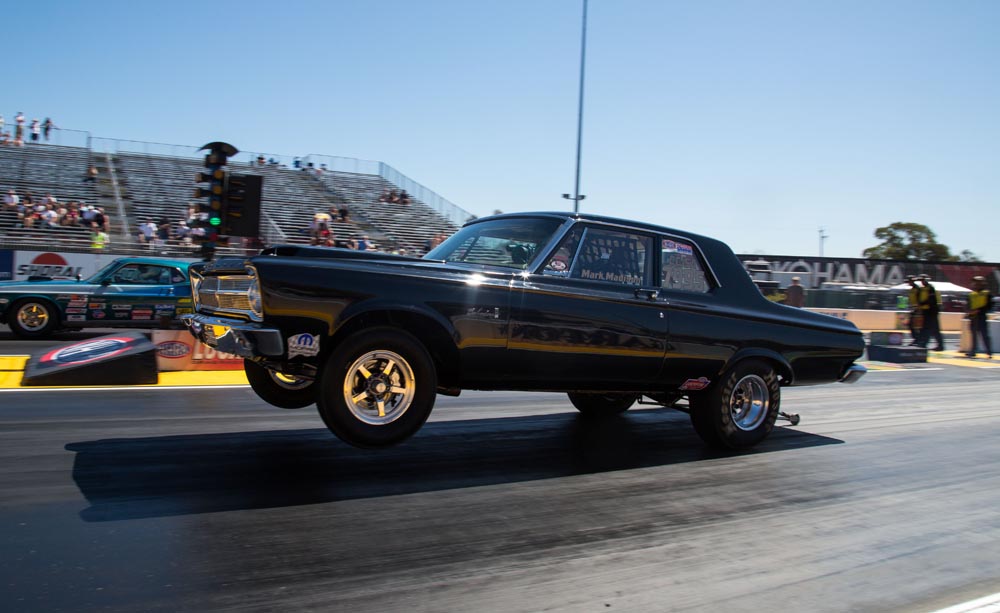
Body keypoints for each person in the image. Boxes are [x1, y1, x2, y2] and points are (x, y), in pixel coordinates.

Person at [966, 275, 992, 359]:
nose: (976, 284)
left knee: (984, 335)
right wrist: (969, 312)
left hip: (981, 316)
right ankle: (973, 351)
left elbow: (989, 306)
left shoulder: (986, 293)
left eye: (978, 282)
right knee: (973, 335)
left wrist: (979, 310)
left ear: (982, 283)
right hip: (973, 317)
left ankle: (989, 351)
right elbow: (968, 305)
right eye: (975, 282)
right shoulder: (971, 294)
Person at [917, 275, 945, 351]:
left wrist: (921, 303)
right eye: (921, 281)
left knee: (934, 329)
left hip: (932, 311)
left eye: (923, 280)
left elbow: (931, 300)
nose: (922, 282)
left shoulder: (931, 288)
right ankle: (924, 343)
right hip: (925, 311)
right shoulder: (922, 289)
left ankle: (940, 345)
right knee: (926, 328)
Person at [905, 275, 922, 345]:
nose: (908, 283)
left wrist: (917, 309)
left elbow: (919, 300)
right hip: (914, 309)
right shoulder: (912, 289)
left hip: (918, 310)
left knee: (914, 325)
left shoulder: (917, 289)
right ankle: (917, 339)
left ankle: (917, 339)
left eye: (909, 281)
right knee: (912, 325)